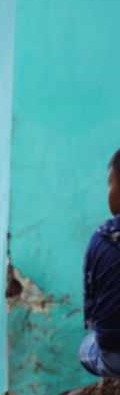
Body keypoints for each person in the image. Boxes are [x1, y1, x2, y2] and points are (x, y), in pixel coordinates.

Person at [81, 148, 120, 378]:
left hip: (115, 358)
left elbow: (94, 315)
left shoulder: (103, 237)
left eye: (110, 183)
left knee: (88, 345)